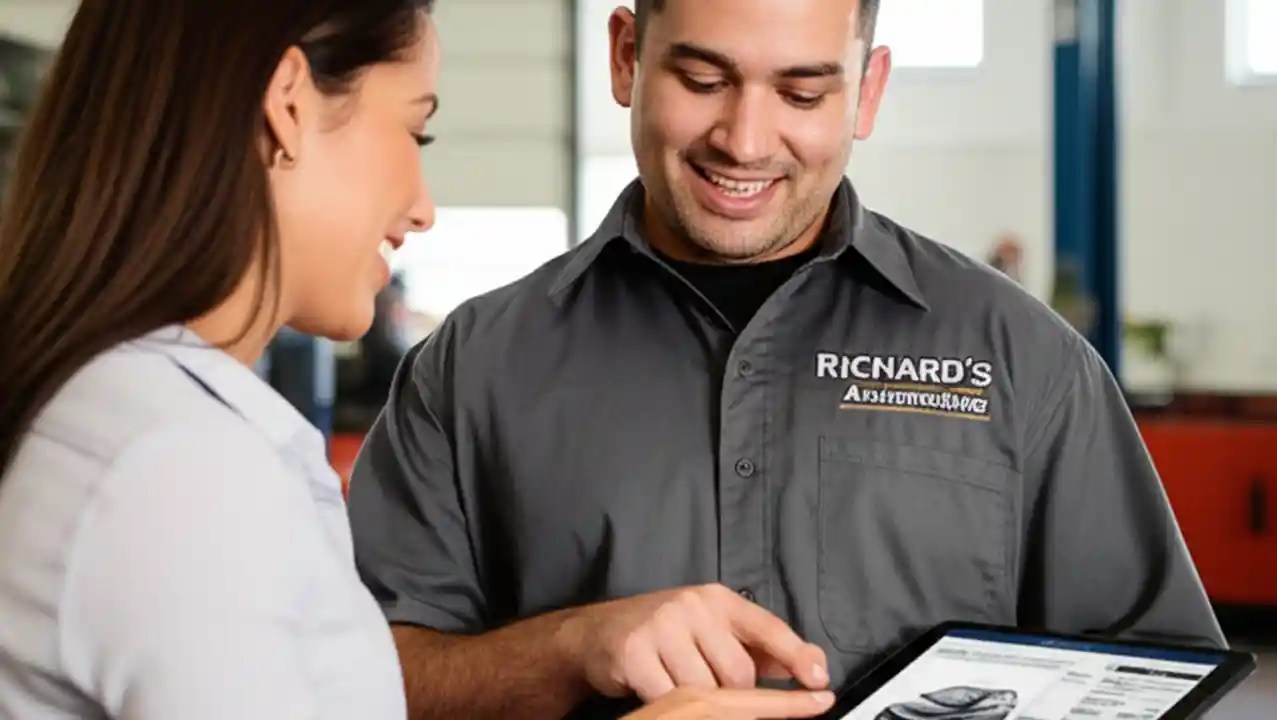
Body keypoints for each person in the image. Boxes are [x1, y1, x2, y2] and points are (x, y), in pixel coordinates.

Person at [346, 0, 1228, 718]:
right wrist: (571, 651)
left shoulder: (1023, 362)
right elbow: (359, 683)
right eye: (703, 80)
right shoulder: (474, 369)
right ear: (625, 57)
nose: (746, 140)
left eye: (803, 94)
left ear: (867, 92)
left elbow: (1153, 676)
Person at [0, 1, 833, 718]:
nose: (423, 207)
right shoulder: (181, 470)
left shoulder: (130, 424)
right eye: (415, 129)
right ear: (288, 105)